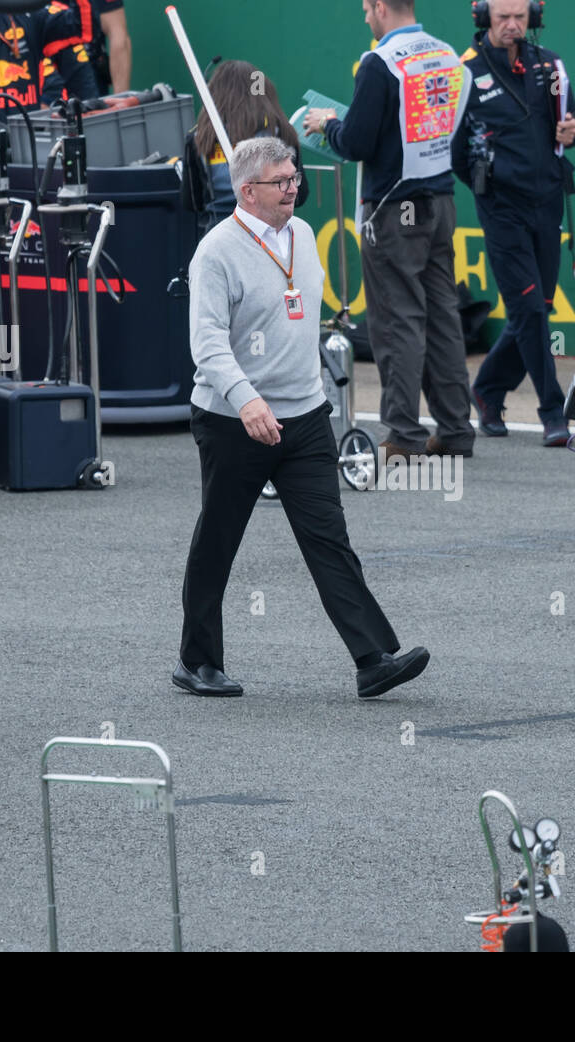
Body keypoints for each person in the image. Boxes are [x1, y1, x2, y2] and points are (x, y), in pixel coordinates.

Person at [177, 136, 430, 700]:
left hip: (306, 418)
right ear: (248, 191)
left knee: (329, 538)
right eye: (281, 181)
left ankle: (372, 658)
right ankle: (197, 661)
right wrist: (246, 399)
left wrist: (316, 395)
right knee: (218, 539)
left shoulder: (303, 235)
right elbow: (207, 342)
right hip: (233, 421)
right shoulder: (216, 252)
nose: (294, 188)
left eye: (294, 177)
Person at [301, 0, 475, 460]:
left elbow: (356, 141)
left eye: (365, 8)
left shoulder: (379, 63)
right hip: (440, 200)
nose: (365, 17)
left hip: (395, 208)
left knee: (398, 320)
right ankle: (456, 430)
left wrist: (327, 123)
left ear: (380, 6)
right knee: (442, 316)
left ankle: (403, 435)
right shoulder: (447, 55)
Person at [452, 0, 575, 447]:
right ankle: (552, 411)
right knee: (528, 311)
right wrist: (490, 188)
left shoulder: (551, 66)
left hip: (548, 203)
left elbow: (572, 126)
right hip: (502, 209)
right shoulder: (465, 71)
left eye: (519, 17)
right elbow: (456, 154)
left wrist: (571, 132)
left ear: (533, 18)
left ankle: (487, 388)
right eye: (502, 17)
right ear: (484, 16)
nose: (511, 25)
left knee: (536, 310)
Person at [187, 60, 310, 233]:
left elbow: (193, 202)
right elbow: (299, 195)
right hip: (272, 235)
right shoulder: (280, 131)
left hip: (219, 234)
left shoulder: (199, 137)